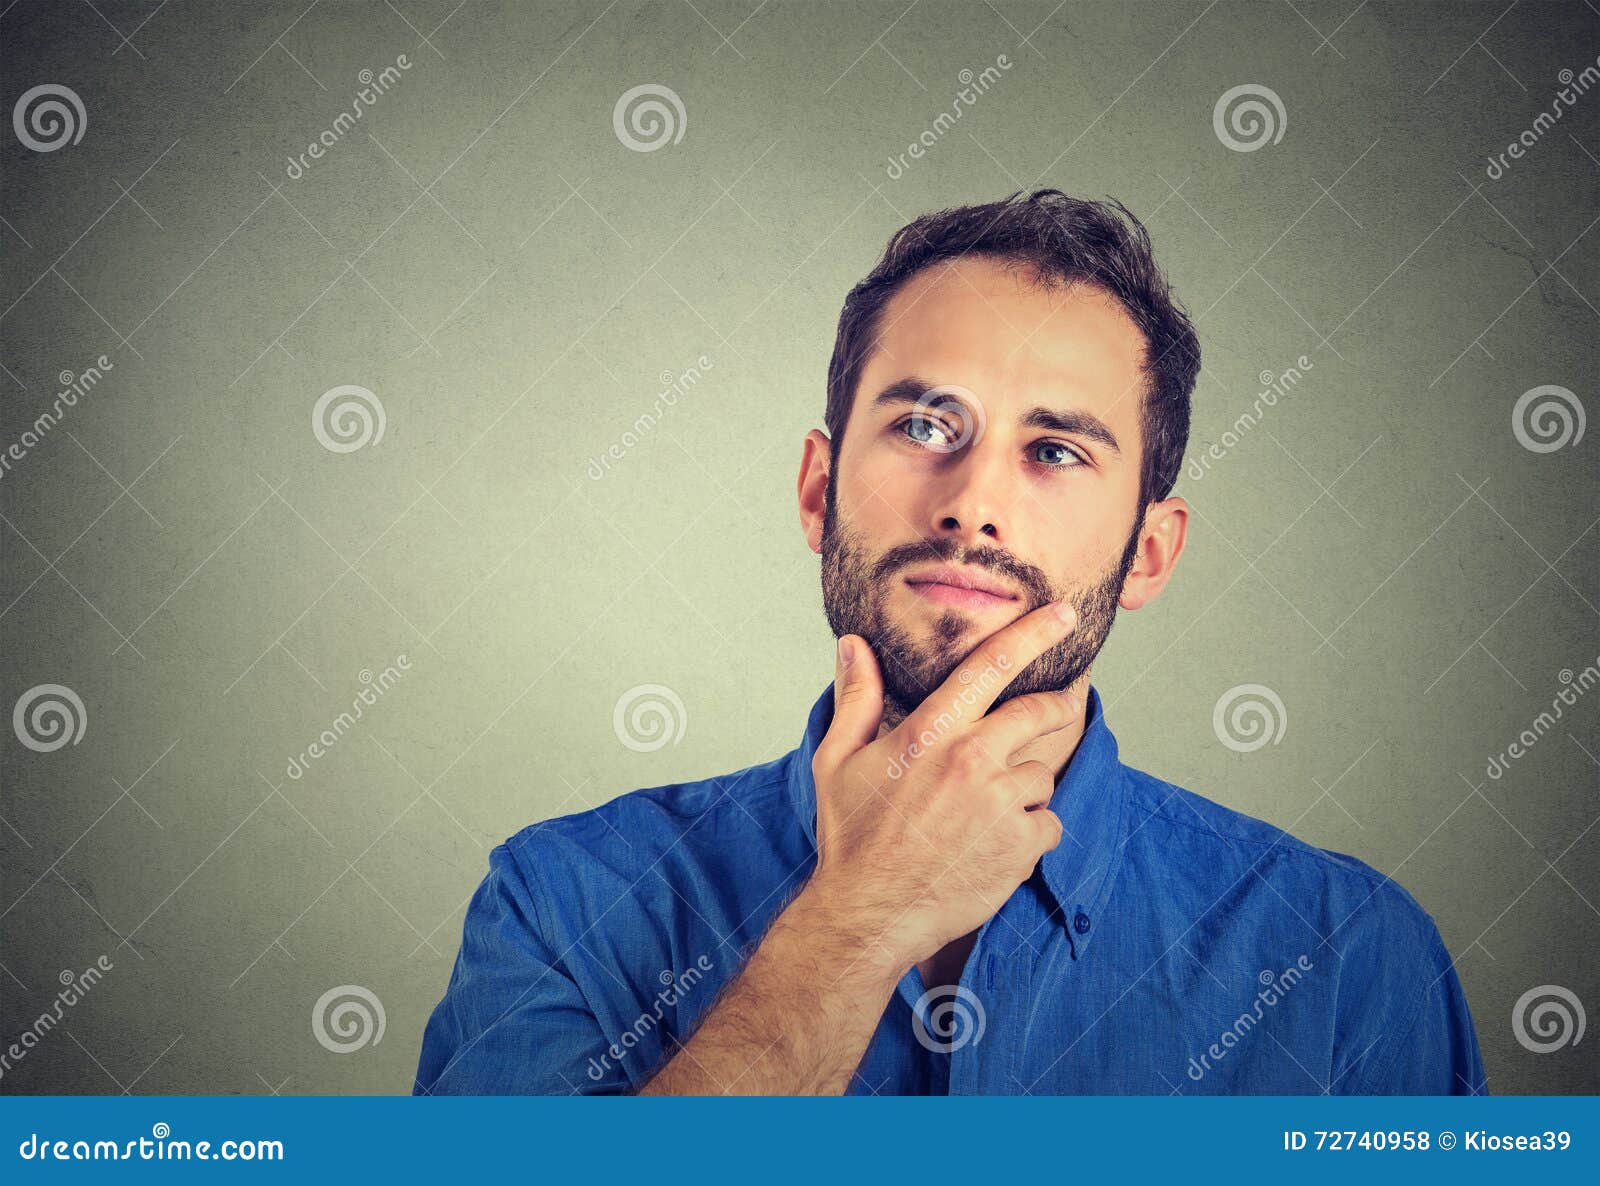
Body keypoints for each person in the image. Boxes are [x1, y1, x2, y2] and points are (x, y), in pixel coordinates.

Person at [414, 190, 1486, 1095]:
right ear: (818, 491)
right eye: (925, 426)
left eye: (1055, 450)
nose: (973, 503)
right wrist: (856, 924)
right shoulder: (561, 903)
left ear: (1148, 555)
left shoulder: (1346, 957)